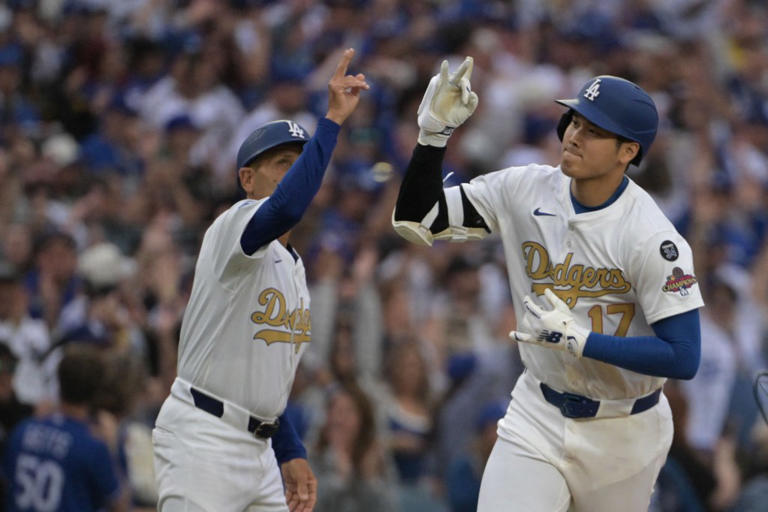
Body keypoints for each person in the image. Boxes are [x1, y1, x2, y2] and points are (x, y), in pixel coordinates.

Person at [392, 58, 704, 511]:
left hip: (624, 431)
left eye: (594, 130)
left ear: (627, 152)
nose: (574, 134)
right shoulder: (526, 188)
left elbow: (684, 356)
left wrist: (583, 341)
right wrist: (433, 136)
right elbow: (418, 218)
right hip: (537, 410)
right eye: (575, 120)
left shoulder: (652, 237)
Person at [152, 48, 369, 512]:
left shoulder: (294, 267)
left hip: (260, 448)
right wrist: (330, 121)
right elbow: (288, 206)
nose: (295, 173)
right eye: (282, 164)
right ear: (247, 179)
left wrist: (288, 449)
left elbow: (271, 377)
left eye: (300, 162)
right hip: (203, 438)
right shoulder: (234, 225)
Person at [2, 345, 125, 512]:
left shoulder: (22, 430)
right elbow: (120, 505)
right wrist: (114, 449)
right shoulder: (93, 445)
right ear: (96, 391)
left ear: (60, 382)